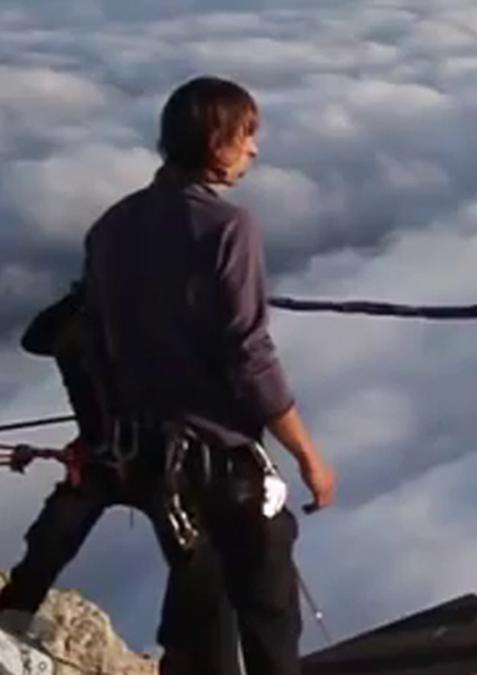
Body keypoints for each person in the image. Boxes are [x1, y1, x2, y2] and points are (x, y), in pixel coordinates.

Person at [81, 75, 336, 675]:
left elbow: (93, 340)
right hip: (223, 460)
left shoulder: (110, 228)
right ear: (215, 140)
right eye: (246, 135)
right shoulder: (229, 229)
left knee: (202, 604)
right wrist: (308, 457)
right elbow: (249, 355)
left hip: (150, 458)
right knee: (269, 613)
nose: (254, 149)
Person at [0, 284, 241, 675]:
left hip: (120, 460)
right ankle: (190, 660)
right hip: (147, 461)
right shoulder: (142, 322)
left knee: (52, 545)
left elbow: (36, 338)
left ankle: (190, 659)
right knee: (195, 557)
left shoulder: (78, 327)